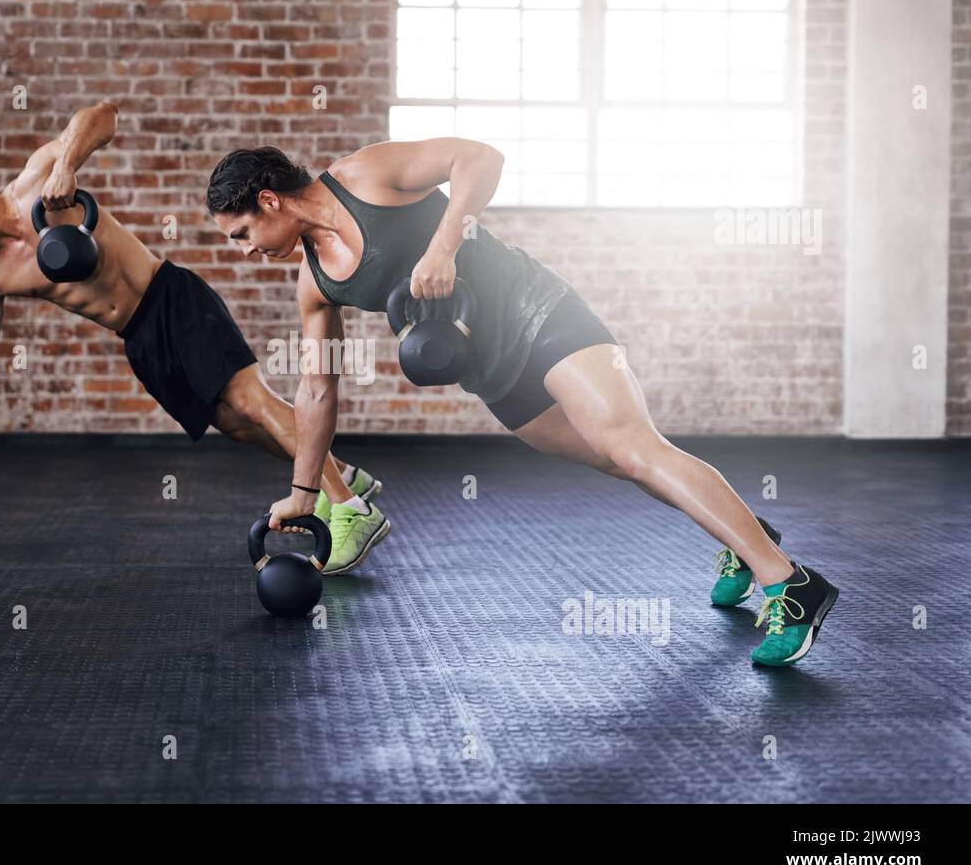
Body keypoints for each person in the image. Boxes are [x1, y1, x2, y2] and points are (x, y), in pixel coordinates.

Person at [206, 140, 838, 666]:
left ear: (269, 201)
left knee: (631, 445)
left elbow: (479, 158)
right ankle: (747, 533)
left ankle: (789, 583)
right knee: (620, 460)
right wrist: (304, 489)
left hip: (541, 315)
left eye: (243, 233)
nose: (247, 249)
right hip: (495, 376)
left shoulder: (363, 176)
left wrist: (443, 245)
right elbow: (318, 387)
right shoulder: (314, 282)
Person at [0, 102, 390, 573]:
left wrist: (67, 169)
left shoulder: (35, 184)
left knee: (250, 401)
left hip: (171, 298)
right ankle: (345, 475)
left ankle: (349, 506)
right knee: (236, 423)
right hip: (138, 338)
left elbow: (102, 115)